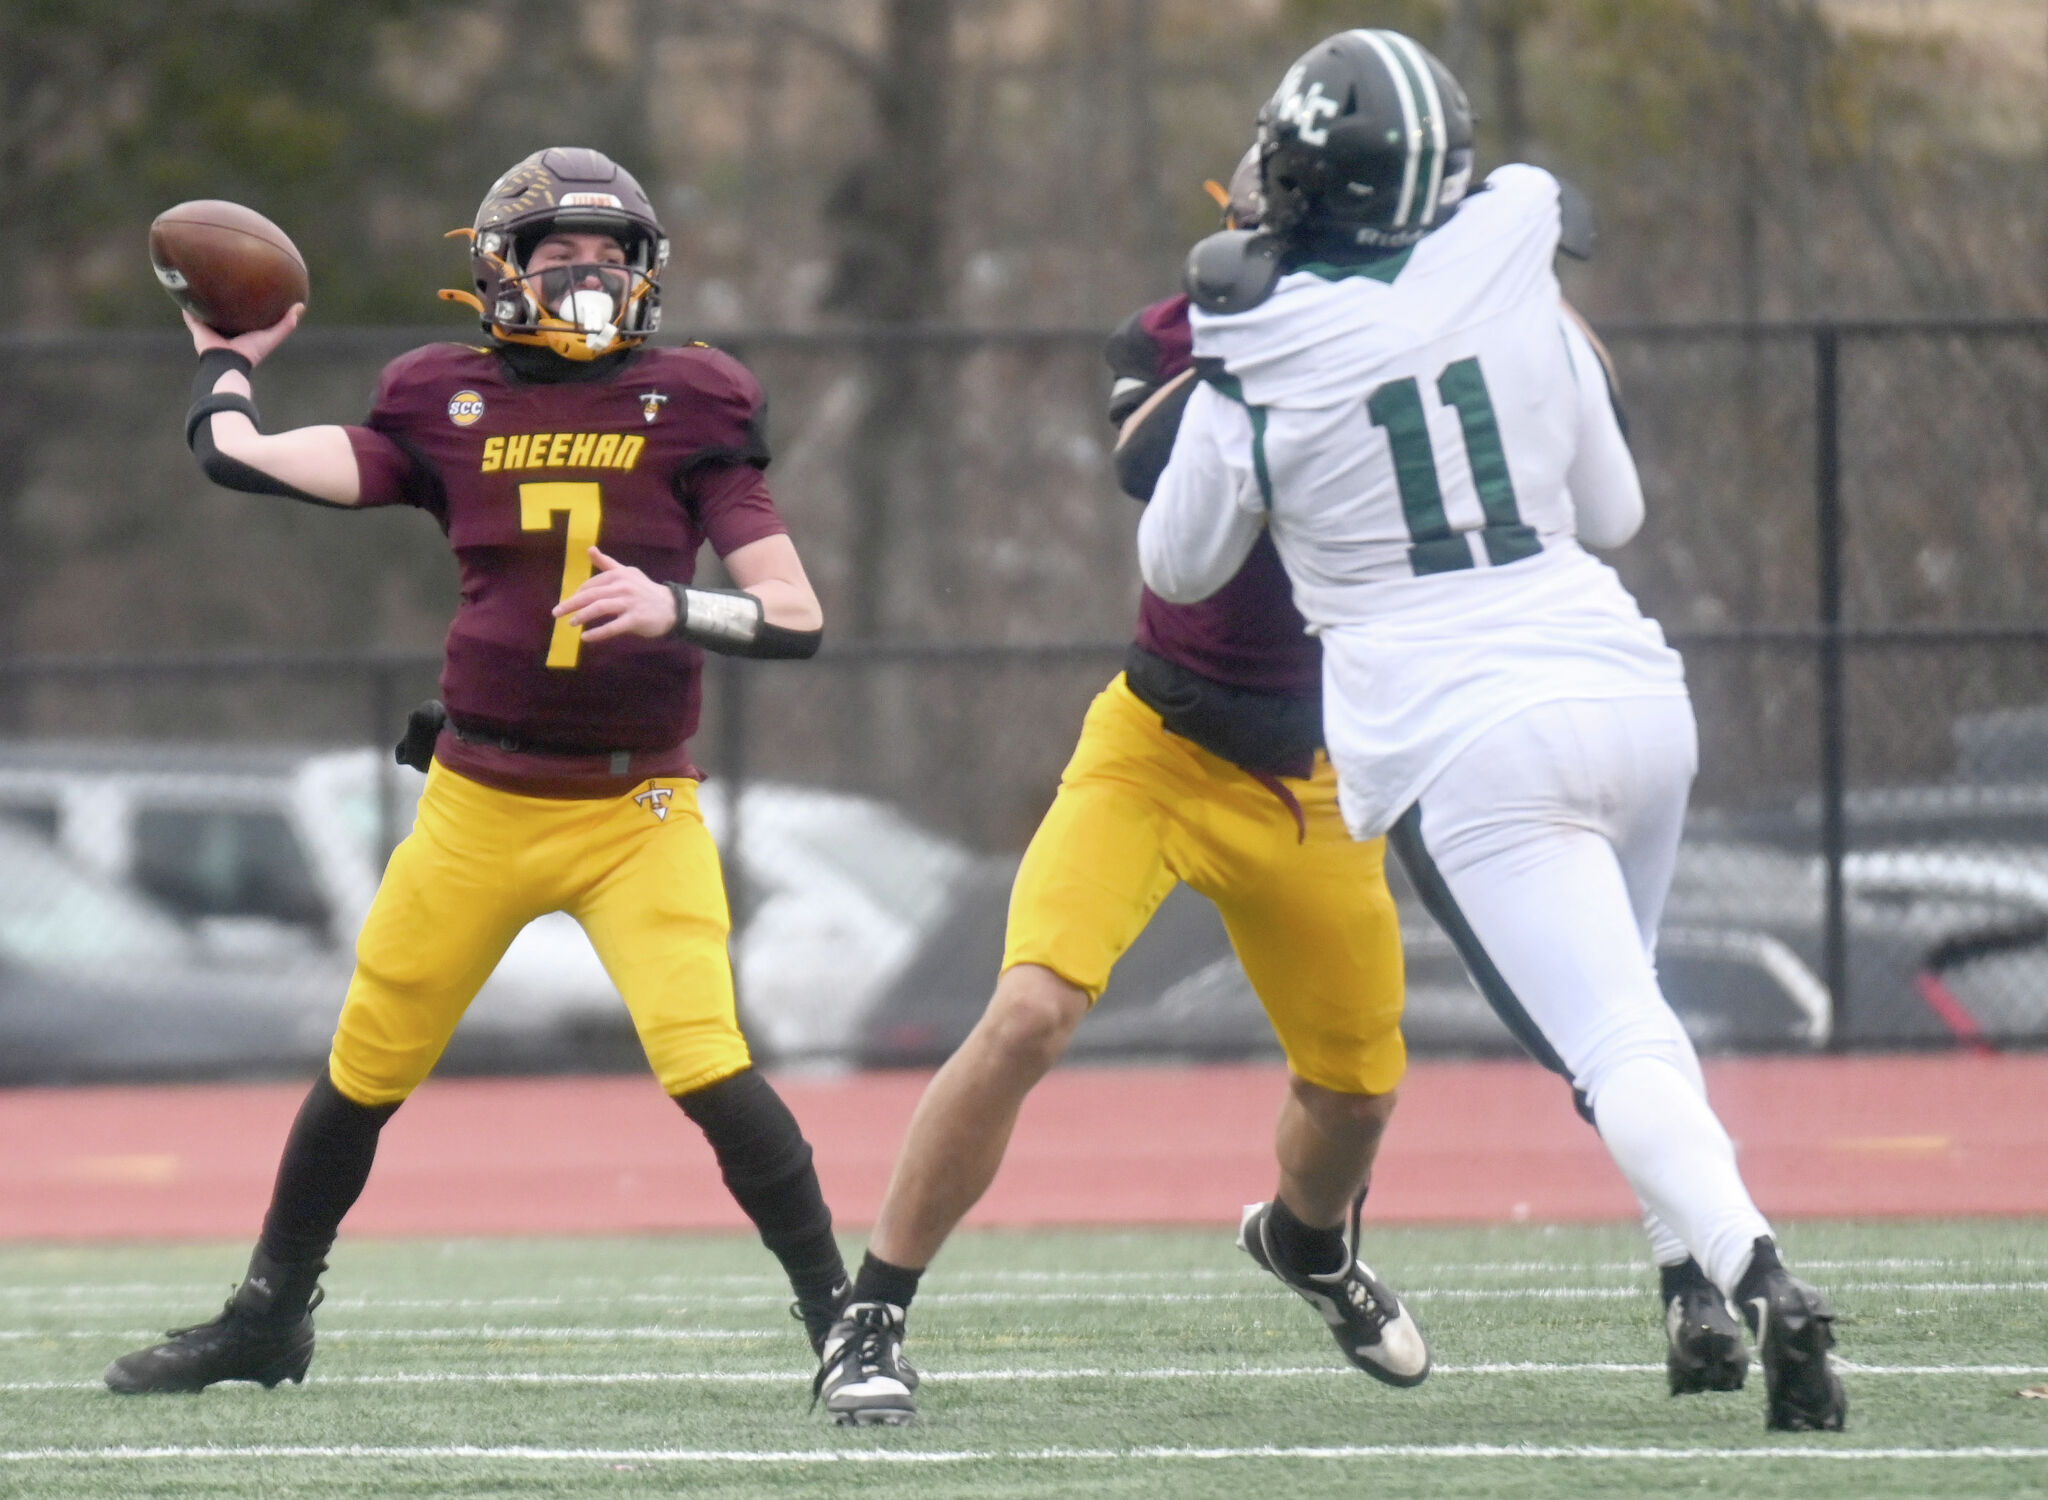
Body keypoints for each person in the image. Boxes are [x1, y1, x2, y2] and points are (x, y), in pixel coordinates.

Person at [1136, 30, 1847, 1434]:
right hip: (1630, 687)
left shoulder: (1256, 351)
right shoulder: (1516, 274)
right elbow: (1619, 513)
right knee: (1625, 1003)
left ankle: (1757, 1271)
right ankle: (1686, 1291)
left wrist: (1236, 416)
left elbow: (1179, 567)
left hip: (1465, 738)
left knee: (1610, 1036)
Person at [105, 147, 851, 1394]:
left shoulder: (696, 399)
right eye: (560, 261)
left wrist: (677, 608)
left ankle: (843, 1324)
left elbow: (796, 616)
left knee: (707, 1061)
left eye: (611, 262)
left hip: (636, 804)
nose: (589, 283)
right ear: (499, 275)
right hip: (479, 800)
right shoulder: (437, 397)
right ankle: (268, 1317)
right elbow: (240, 456)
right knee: (364, 1067)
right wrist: (225, 354)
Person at [812, 151, 1427, 1428]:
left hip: (1317, 776)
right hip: (1156, 746)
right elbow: (1146, 468)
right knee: (1027, 1013)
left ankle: (1309, 1244)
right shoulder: (1176, 329)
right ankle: (868, 1313)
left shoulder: (1414, 330)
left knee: (1356, 1091)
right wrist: (1251, 342)